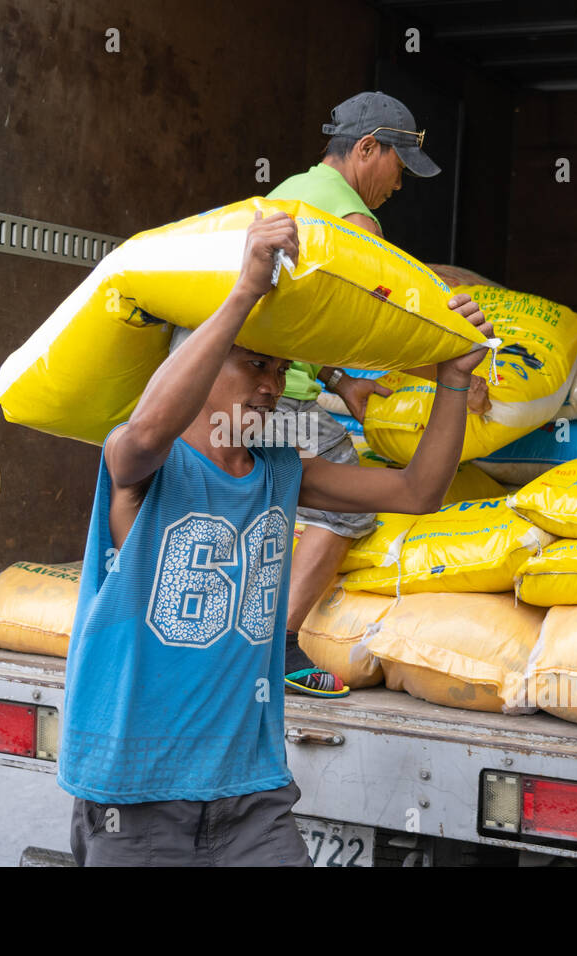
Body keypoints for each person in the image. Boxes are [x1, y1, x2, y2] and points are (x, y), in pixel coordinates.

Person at [61, 211, 492, 866]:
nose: (270, 386)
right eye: (253, 364)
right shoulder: (143, 464)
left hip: (250, 795)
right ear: (195, 366)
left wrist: (455, 378)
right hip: (135, 793)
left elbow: (417, 493)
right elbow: (148, 434)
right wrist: (244, 292)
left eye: (280, 368)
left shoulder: (281, 470)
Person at [265, 91, 490, 695]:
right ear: (367, 149)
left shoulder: (288, 190)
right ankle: (279, 645)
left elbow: (305, 320)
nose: (399, 186)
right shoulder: (355, 220)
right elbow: (374, 324)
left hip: (227, 401)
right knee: (349, 492)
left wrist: (341, 382)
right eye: (398, 168)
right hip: (274, 399)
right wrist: (451, 373)